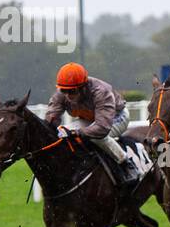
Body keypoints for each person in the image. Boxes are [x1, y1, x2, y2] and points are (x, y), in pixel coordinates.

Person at [44, 62, 141, 190]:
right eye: (64, 90)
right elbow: (51, 119)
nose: (67, 95)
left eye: (72, 91)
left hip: (116, 117)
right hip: (89, 119)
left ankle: (126, 164)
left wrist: (77, 133)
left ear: (83, 87)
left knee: (96, 137)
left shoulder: (101, 91)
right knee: (65, 131)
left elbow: (102, 128)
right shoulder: (61, 94)